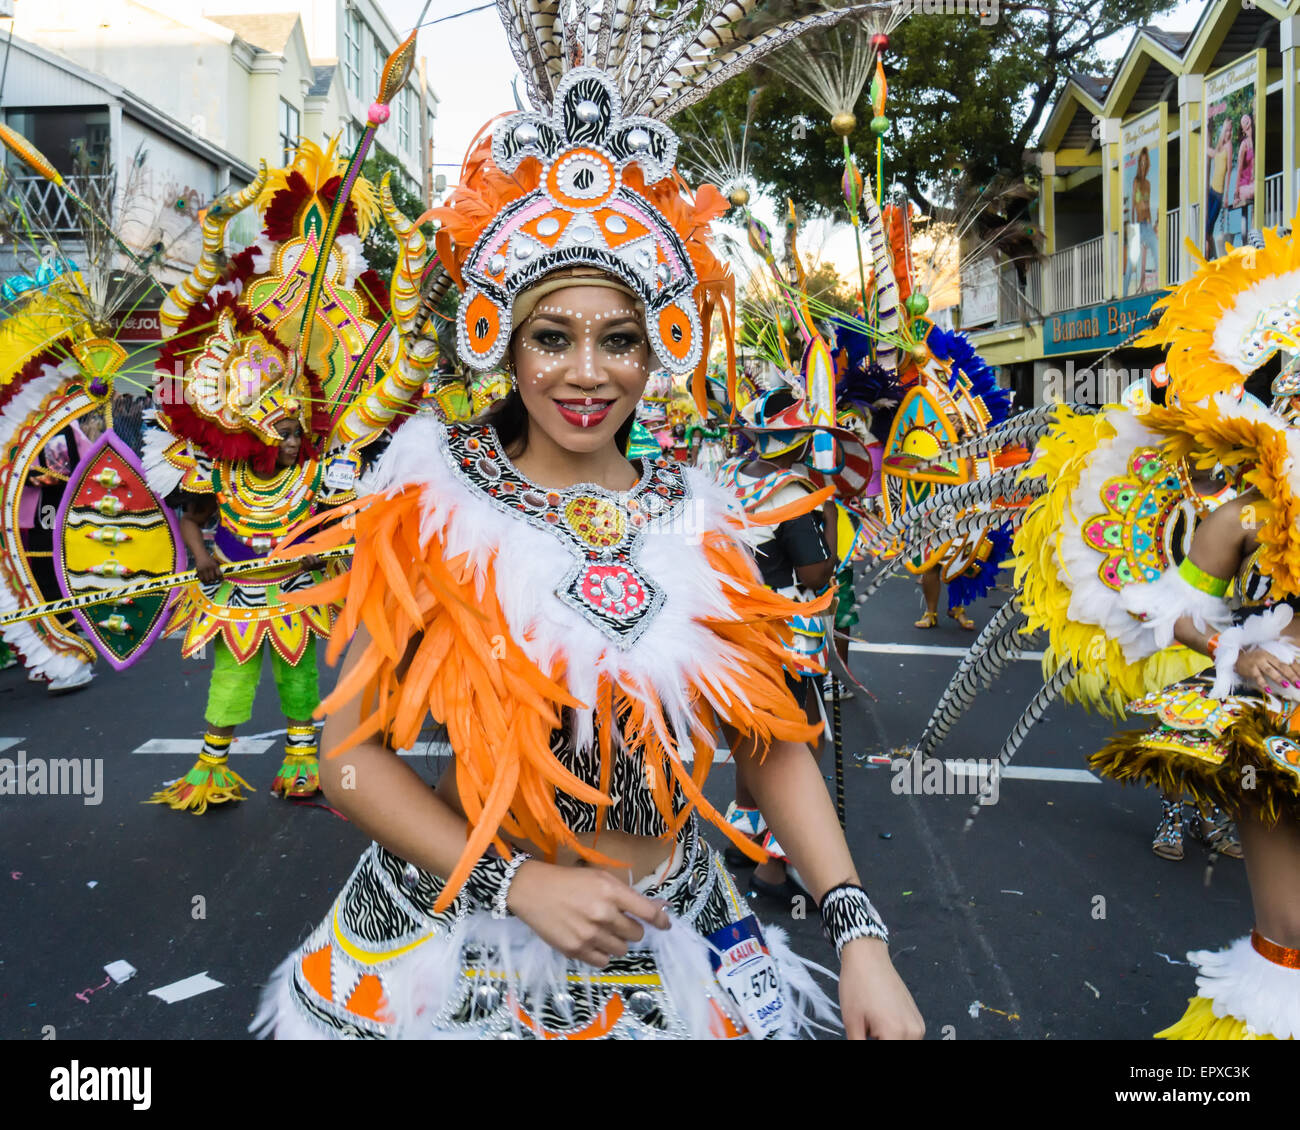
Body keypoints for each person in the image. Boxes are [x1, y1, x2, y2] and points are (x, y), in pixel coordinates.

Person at [252, 63, 923, 1040]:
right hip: (473, 940)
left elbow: (769, 739)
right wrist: (520, 881)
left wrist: (860, 933)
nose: (585, 372)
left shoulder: (702, 518)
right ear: (502, 340)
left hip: (677, 932)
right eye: (552, 337)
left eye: (619, 340)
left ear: (658, 350)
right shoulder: (429, 507)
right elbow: (348, 760)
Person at [1204, 120, 1234, 259]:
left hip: (1219, 193)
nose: (1228, 133)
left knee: (1209, 224)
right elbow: (1211, 153)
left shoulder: (1229, 146)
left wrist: (1227, 194)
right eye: (1226, 130)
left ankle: (1212, 255)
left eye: (1230, 130)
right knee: (1206, 227)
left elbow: (1229, 171)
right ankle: (1211, 255)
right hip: (1211, 189)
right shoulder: (1219, 146)